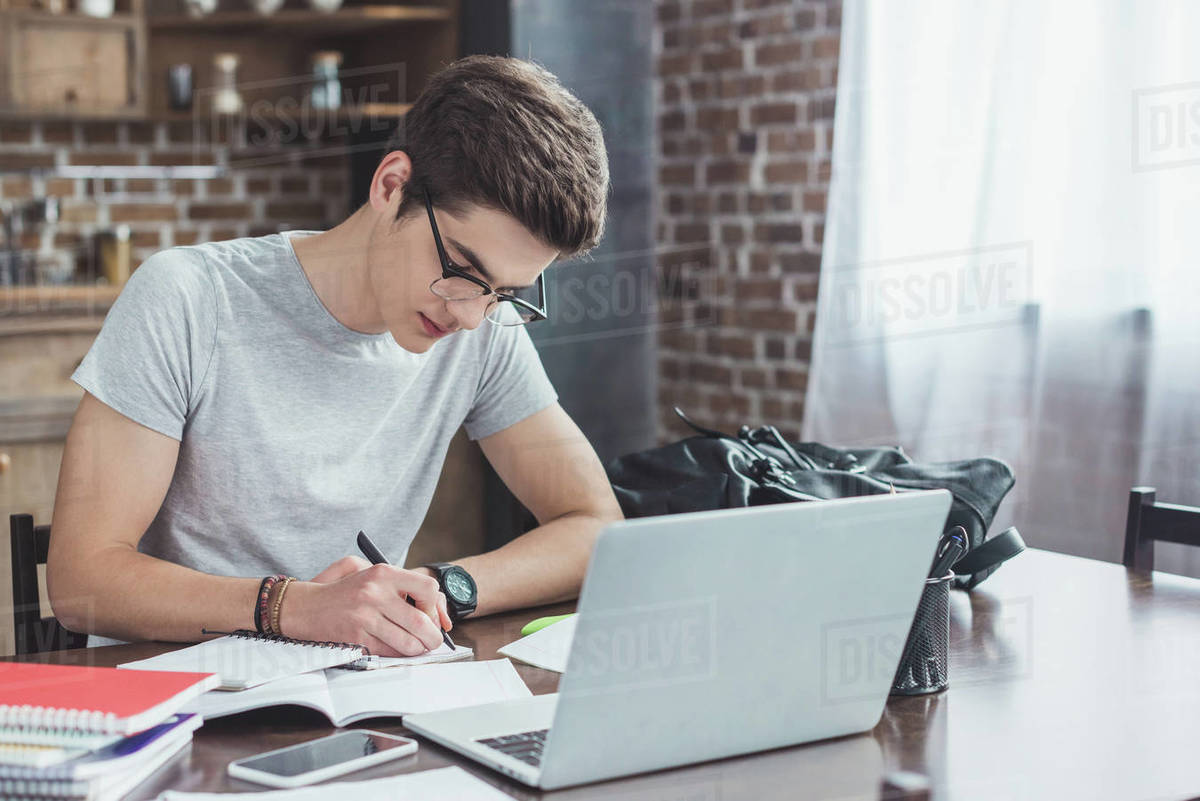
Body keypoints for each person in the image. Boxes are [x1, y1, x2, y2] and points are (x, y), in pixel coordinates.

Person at [47, 56, 623, 657]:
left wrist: (439, 588)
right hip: (174, 690)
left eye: (503, 292)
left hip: (355, 691)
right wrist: (298, 608)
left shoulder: (482, 326)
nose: (471, 316)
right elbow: (82, 581)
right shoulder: (189, 297)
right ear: (391, 186)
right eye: (461, 268)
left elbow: (593, 525)